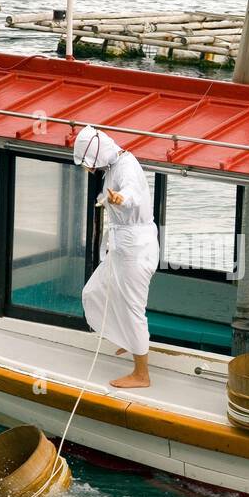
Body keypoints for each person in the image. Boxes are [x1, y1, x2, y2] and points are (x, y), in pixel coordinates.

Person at [74, 125, 159, 388]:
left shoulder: (127, 166)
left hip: (136, 247)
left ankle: (141, 374)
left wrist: (121, 198)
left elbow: (132, 192)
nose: (89, 169)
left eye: (88, 163)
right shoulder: (113, 166)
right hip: (123, 246)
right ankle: (127, 339)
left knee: (133, 307)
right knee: (95, 291)